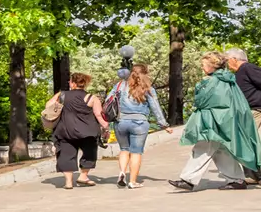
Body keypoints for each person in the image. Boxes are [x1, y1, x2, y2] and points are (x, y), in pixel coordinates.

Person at [172, 52, 261, 191]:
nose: (202, 67)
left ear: (211, 65)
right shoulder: (228, 80)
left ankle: (188, 179)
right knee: (222, 150)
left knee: (203, 147)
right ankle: (236, 179)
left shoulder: (212, 81)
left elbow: (202, 101)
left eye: (203, 65)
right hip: (224, 120)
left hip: (213, 121)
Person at [109, 63, 169, 187]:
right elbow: (155, 108)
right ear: (145, 73)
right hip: (139, 123)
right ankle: (132, 181)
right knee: (136, 152)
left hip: (121, 122)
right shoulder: (148, 88)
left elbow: (108, 100)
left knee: (124, 150)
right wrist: (164, 125)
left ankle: (122, 173)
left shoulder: (119, 85)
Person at [47, 71, 107, 188]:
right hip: (87, 132)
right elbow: (99, 115)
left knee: (66, 154)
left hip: (65, 130)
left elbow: (48, 105)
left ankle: (68, 182)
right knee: (90, 153)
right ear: (84, 84)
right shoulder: (91, 98)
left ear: (72, 83)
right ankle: (83, 176)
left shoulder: (62, 95)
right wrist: (106, 127)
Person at [226, 48, 261, 181]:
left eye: (228, 61)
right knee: (248, 143)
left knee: (247, 143)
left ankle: (255, 174)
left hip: (255, 110)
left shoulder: (247, 68)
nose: (228, 65)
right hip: (249, 110)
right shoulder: (241, 72)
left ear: (234, 59)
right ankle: (253, 175)